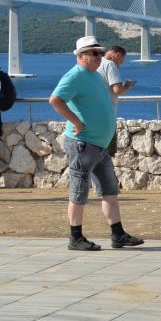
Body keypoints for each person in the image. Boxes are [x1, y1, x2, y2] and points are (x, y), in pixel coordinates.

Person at [49, 35, 144, 251]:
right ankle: (75, 237)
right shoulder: (75, 75)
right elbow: (55, 100)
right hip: (83, 143)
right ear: (80, 56)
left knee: (110, 189)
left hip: (99, 145)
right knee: (79, 191)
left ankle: (118, 234)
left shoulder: (95, 75)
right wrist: (76, 122)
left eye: (100, 52)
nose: (99, 56)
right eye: (94, 53)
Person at [98, 46, 136, 155]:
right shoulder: (110, 64)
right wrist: (128, 85)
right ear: (117, 55)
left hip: (95, 115)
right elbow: (118, 90)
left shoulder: (96, 63)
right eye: (120, 62)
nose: (119, 65)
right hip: (107, 116)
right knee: (108, 154)